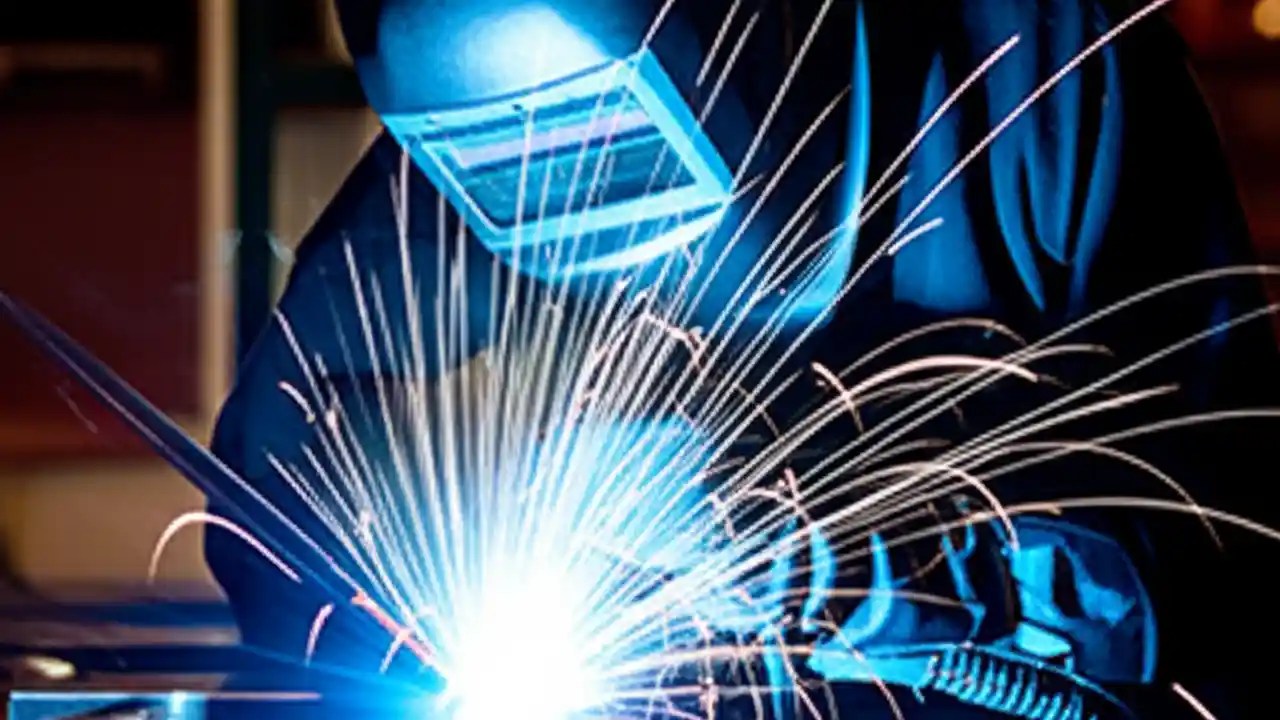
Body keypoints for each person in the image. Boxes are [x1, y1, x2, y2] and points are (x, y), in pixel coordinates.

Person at [206, 0, 1280, 717]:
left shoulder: (1042, 67)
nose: (575, 196)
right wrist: (426, 589)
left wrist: (848, 566)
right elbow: (281, 457)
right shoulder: (489, 119)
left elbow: (1216, 565)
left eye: (618, 138)